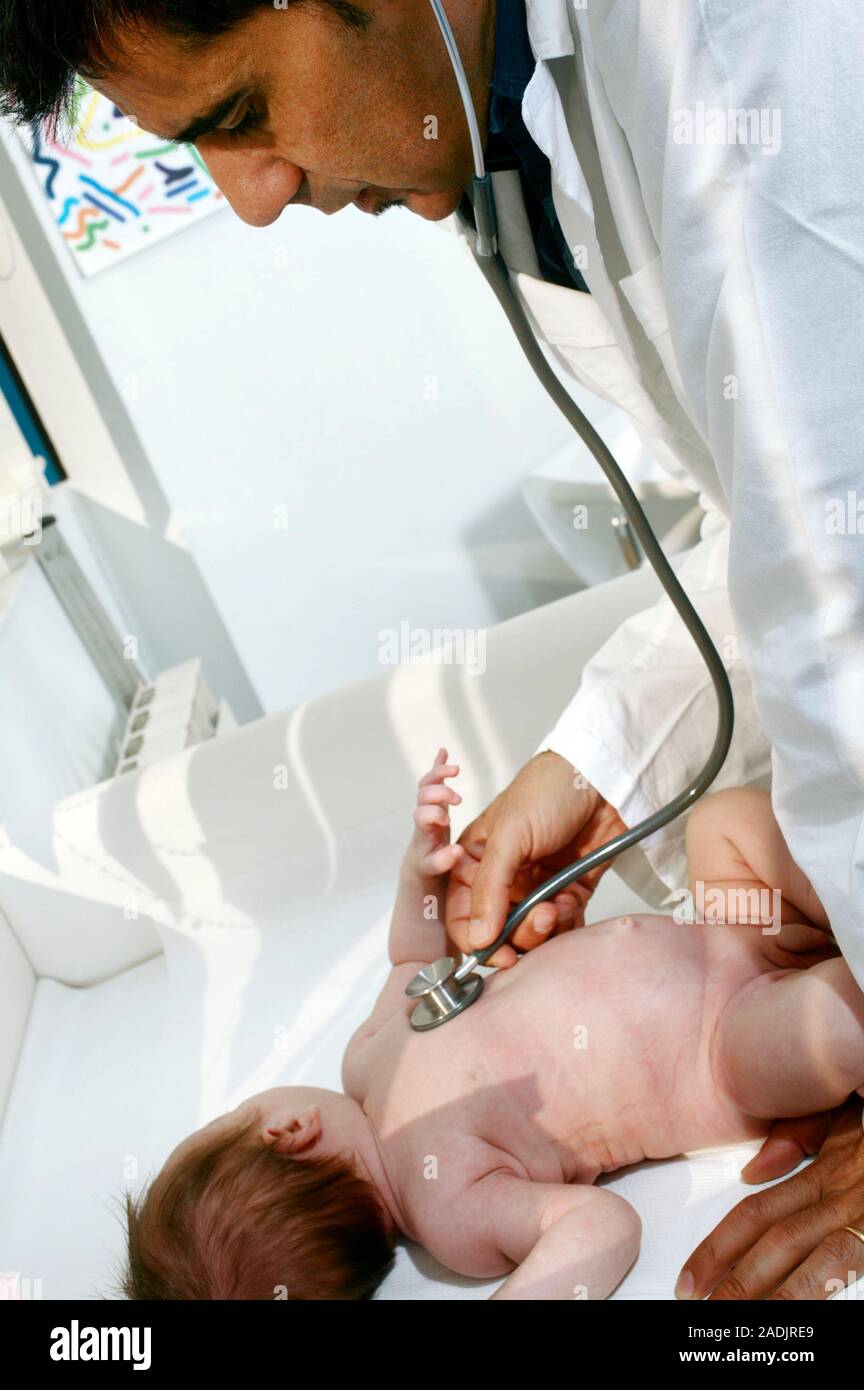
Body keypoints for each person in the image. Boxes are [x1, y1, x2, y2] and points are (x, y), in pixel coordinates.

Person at [2, 0, 862, 1297]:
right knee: (766, 934)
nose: (248, 198)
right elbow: (784, 535)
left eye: (240, 113)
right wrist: (602, 753)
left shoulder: (726, 49)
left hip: (723, 924)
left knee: (748, 838)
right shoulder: (455, 1209)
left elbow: (829, 564)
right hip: (723, 1021)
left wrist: (427, 858)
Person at [122, 752, 864, 1300]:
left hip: (726, 928)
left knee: (723, 821)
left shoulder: (368, 1059)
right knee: (830, 1029)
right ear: (285, 1131)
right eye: (238, 1115)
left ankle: (844, 914)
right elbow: (601, 1227)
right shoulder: (450, 1210)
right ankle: (847, 945)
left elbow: (414, 956)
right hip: (724, 1047)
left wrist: (423, 874)